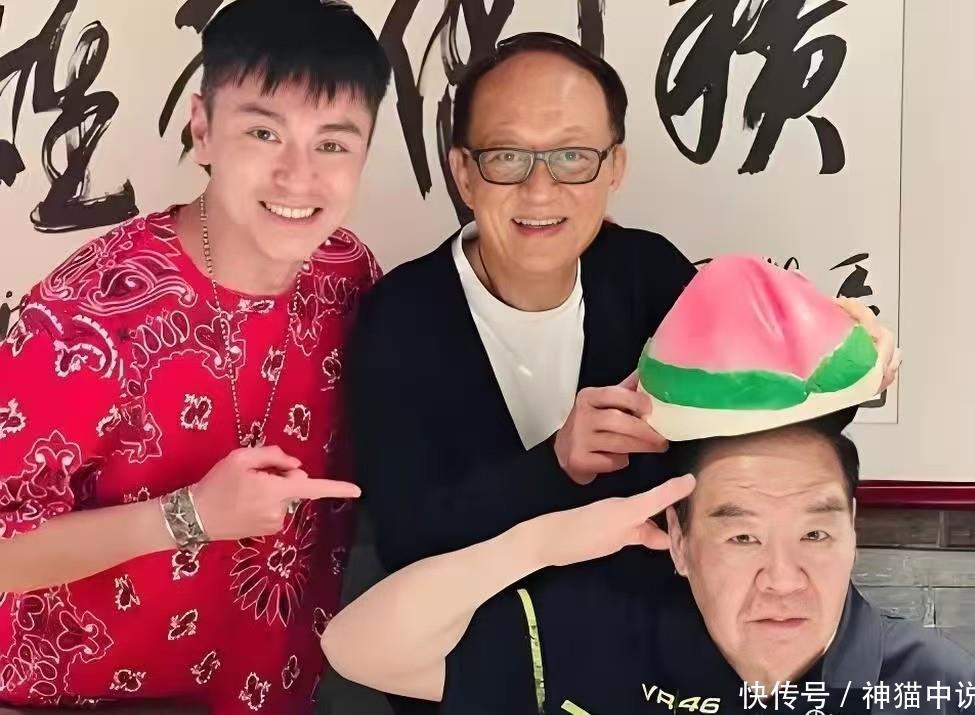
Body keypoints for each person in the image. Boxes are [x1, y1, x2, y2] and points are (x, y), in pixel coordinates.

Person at [347, 31, 900, 577]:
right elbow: (404, 541)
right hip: (475, 632)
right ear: (464, 174)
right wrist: (555, 465)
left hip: (649, 618)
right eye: (507, 155)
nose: (539, 189)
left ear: (615, 167)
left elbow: (747, 420)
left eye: (573, 156)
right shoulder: (400, 318)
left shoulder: (648, 275)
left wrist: (854, 373)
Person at [0, 1, 390, 711]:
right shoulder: (86, 314)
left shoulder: (348, 272)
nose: (297, 176)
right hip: (81, 698)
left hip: (275, 688)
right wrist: (188, 515)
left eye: (333, 144)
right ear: (203, 128)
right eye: (263, 132)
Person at [323, 416, 975, 715]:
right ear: (678, 541)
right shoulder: (609, 638)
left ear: (852, 529)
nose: (783, 578)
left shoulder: (936, 687)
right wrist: (537, 544)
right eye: (741, 537)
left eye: (815, 532)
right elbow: (359, 649)